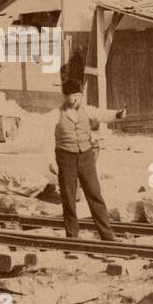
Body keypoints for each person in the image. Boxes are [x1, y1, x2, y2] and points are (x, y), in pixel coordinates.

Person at [55, 84, 125, 241]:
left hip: (86, 155)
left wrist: (117, 115)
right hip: (65, 157)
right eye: (71, 96)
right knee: (69, 196)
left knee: (95, 194)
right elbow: (46, 136)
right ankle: (72, 236)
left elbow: (102, 115)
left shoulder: (87, 110)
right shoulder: (56, 114)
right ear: (65, 97)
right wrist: (51, 161)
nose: (75, 100)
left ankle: (107, 235)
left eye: (78, 96)